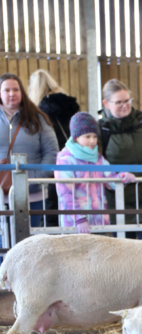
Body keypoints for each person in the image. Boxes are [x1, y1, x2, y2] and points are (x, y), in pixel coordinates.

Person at [99, 79, 142, 241]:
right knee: (123, 250)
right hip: (118, 200)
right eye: (119, 102)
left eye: (128, 100)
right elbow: (97, 161)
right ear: (106, 103)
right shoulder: (101, 128)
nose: (125, 105)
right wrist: (113, 181)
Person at [54, 112, 136, 234]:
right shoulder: (66, 160)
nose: (92, 141)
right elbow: (65, 193)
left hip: (99, 222)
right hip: (75, 225)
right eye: (87, 136)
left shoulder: (98, 158)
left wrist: (123, 177)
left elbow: (111, 181)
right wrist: (79, 218)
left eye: (94, 136)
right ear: (76, 137)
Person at [0, 73, 59, 229]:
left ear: (22, 92)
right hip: (0, 196)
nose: (12, 93)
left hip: (32, 195)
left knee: (29, 240)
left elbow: (51, 151)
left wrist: (35, 179)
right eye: (6, 90)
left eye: (16, 89)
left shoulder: (38, 118)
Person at [28, 69, 78, 228]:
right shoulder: (70, 106)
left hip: (52, 167)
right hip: (74, 164)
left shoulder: (39, 112)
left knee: (51, 212)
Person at [28, 70, 79, 150]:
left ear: (34, 88)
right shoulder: (68, 102)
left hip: (56, 149)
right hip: (74, 148)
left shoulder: (42, 109)